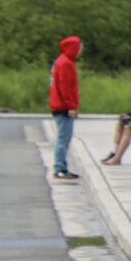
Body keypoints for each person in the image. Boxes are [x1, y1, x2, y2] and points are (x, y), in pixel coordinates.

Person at [49, 35, 81, 180]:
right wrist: (71, 106)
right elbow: (65, 87)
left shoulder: (62, 61)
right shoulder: (65, 64)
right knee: (63, 139)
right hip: (63, 106)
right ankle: (59, 168)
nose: (80, 51)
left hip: (61, 105)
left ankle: (62, 166)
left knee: (64, 138)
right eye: (78, 48)